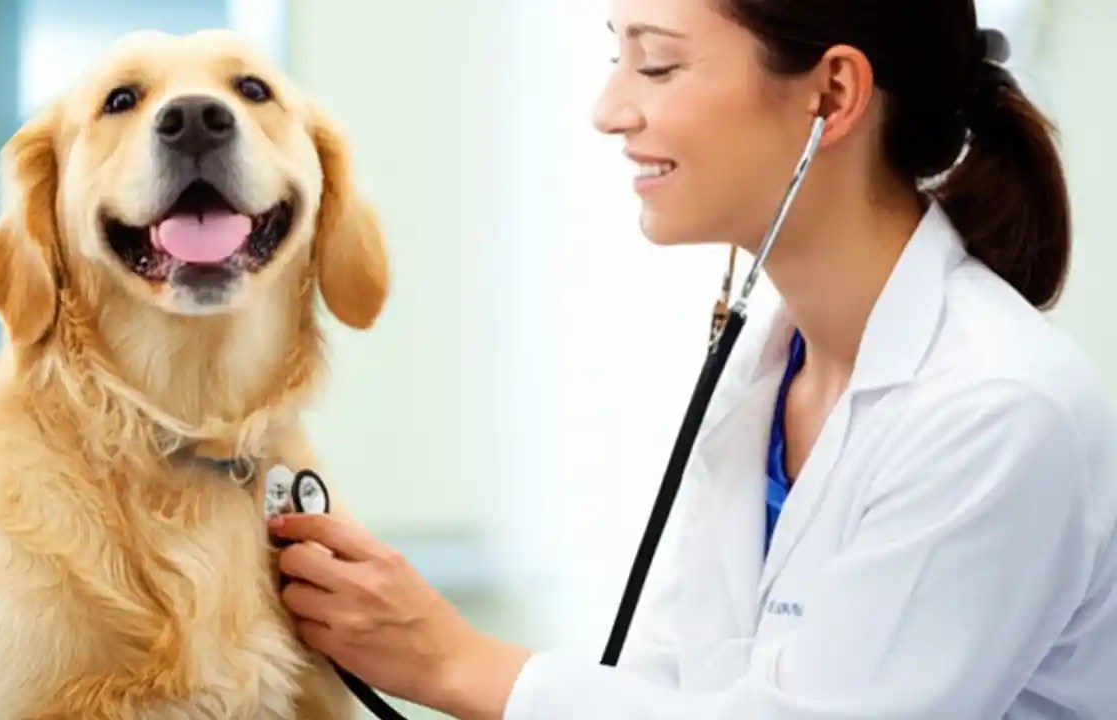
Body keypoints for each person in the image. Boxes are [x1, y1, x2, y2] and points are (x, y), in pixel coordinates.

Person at [267, 0, 1117, 717]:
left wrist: (450, 662)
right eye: (617, 58)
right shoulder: (771, 373)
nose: (609, 109)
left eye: (658, 67)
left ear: (832, 92)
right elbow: (682, 690)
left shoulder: (996, 408)